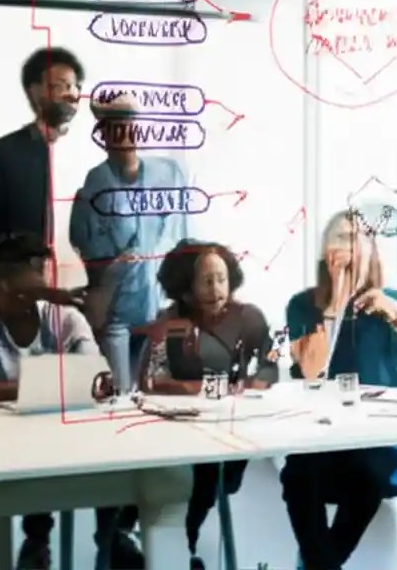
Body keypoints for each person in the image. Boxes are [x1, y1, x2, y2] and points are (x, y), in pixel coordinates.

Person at [0, 231, 123, 570]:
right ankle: (37, 541)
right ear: (3, 283)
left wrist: (45, 385)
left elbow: (101, 382)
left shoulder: (65, 318)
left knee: (119, 462)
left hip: (66, 447)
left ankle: (112, 542)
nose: (40, 284)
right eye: (32, 276)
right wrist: (44, 383)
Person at [281, 210, 397, 570]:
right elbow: (312, 369)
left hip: (383, 438)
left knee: (368, 476)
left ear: (371, 248)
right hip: (325, 436)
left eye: (357, 237)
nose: (349, 246)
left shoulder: (390, 300)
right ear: (325, 252)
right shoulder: (303, 306)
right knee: (297, 475)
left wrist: (392, 311)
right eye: (339, 237)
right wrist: (335, 301)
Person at [139, 239, 278, 570]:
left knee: (218, 477)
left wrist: (256, 381)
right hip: (182, 427)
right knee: (198, 477)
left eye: (222, 279)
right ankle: (183, 549)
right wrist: (209, 388)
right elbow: (150, 381)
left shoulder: (249, 317)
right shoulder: (169, 322)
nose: (217, 289)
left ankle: (188, 545)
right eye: (206, 281)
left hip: (234, 426)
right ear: (187, 290)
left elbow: (270, 365)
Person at [70, 92, 189, 393]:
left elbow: (178, 231)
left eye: (130, 126)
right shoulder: (97, 182)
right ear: (103, 136)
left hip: (155, 306)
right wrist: (116, 265)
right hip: (117, 311)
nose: (124, 135)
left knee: (151, 393)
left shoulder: (166, 173)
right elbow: (89, 249)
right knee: (119, 393)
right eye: (115, 129)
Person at [0, 46, 84, 269]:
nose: (71, 94)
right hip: (24, 280)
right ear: (34, 91)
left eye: (75, 86)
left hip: (83, 280)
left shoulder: (90, 153)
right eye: (60, 85)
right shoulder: (2, 153)